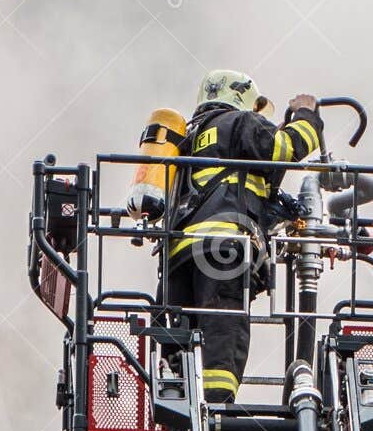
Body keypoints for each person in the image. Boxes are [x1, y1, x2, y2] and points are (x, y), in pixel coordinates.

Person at [135, 69, 324, 404]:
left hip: (178, 254)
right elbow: (285, 149)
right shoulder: (239, 123)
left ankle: (177, 399)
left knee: (181, 329)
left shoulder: (187, 139)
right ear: (242, 98)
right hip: (222, 245)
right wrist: (307, 115)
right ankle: (217, 407)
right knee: (223, 323)